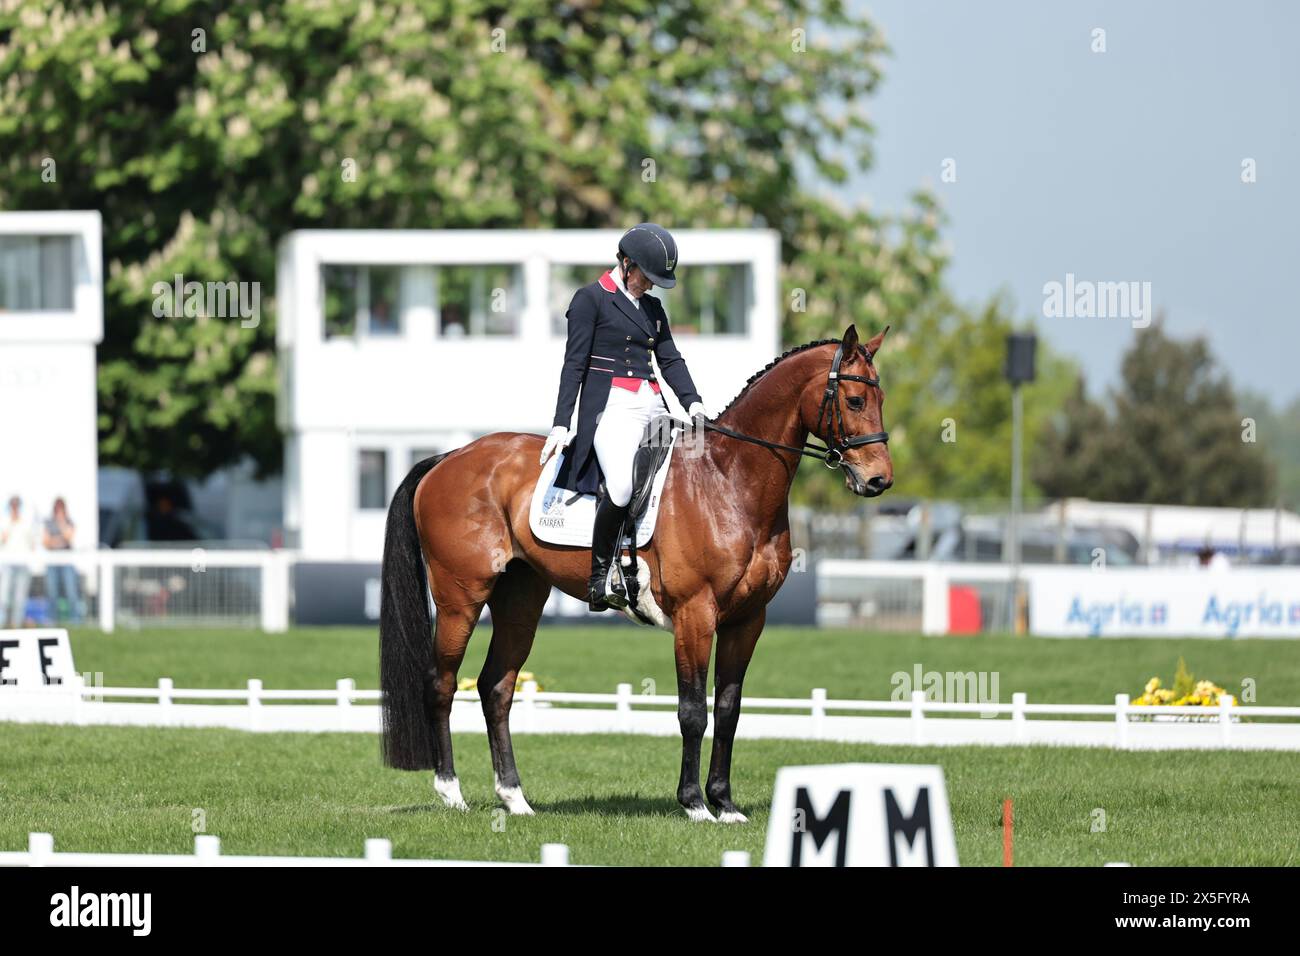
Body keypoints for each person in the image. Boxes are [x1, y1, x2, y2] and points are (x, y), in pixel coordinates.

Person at [541, 223, 708, 611]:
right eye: (647, 277)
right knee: (619, 488)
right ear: (627, 264)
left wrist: (693, 402)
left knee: (698, 466)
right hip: (611, 408)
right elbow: (574, 366)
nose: (650, 285)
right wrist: (561, 423)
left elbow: (669, 359)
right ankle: (600, 577)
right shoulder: (590, 299)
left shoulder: (652, 308)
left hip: (653, 405)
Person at [43, 497, 82, 625]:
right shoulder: (48, 522)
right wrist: (60, 539)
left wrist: (61, 524)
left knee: (71, 593)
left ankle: (75, 622)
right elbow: (46, 542)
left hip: (67, 562)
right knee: (52, 593)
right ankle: (51, 621)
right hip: (53, 562)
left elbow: (68, 537)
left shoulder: (69, 521)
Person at [0, 495, 35, 627]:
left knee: (19, 599)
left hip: (22, 564)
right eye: (12, 505)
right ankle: (2, 623)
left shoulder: (26, 522)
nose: (14, 508)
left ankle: (16, 624)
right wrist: (11, 524)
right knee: (3, 597)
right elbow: (2, 540)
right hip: (7, 564)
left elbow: (32, 543)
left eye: (16, 505)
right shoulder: (4, 522)